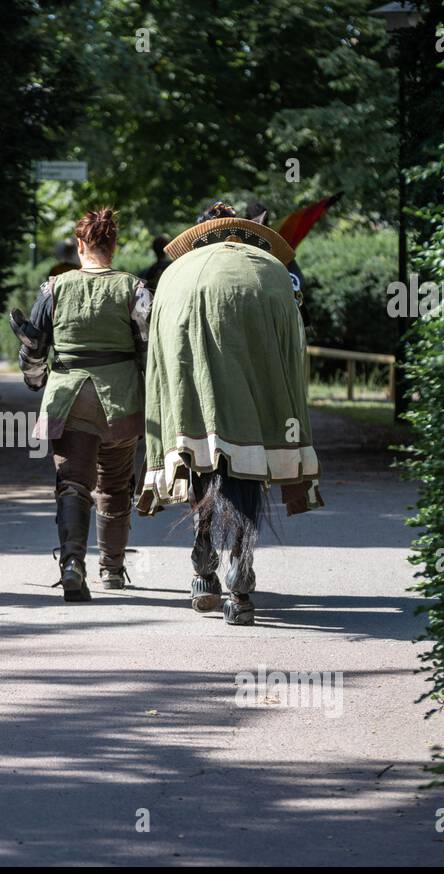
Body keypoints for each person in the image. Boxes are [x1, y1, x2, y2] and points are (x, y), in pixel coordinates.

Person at [138, 201, 322, 625]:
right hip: (256, 379)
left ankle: (204, 561)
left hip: (193, 381)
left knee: (205, 448)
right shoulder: (274, 270)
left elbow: (159, 351)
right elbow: (294, 340)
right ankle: (240, 569)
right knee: (249, 453)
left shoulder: (176, 274)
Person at [12, 208, 151, 600]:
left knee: (72, 482)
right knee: (115, 484)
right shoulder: (134, 289)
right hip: (120, 399)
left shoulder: (54, 288)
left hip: (68, 397)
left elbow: (34, 346)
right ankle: (113, 568)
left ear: (80, 246)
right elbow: (149, 348)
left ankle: (73, 563)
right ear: (114, 246)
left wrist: (36, 380)